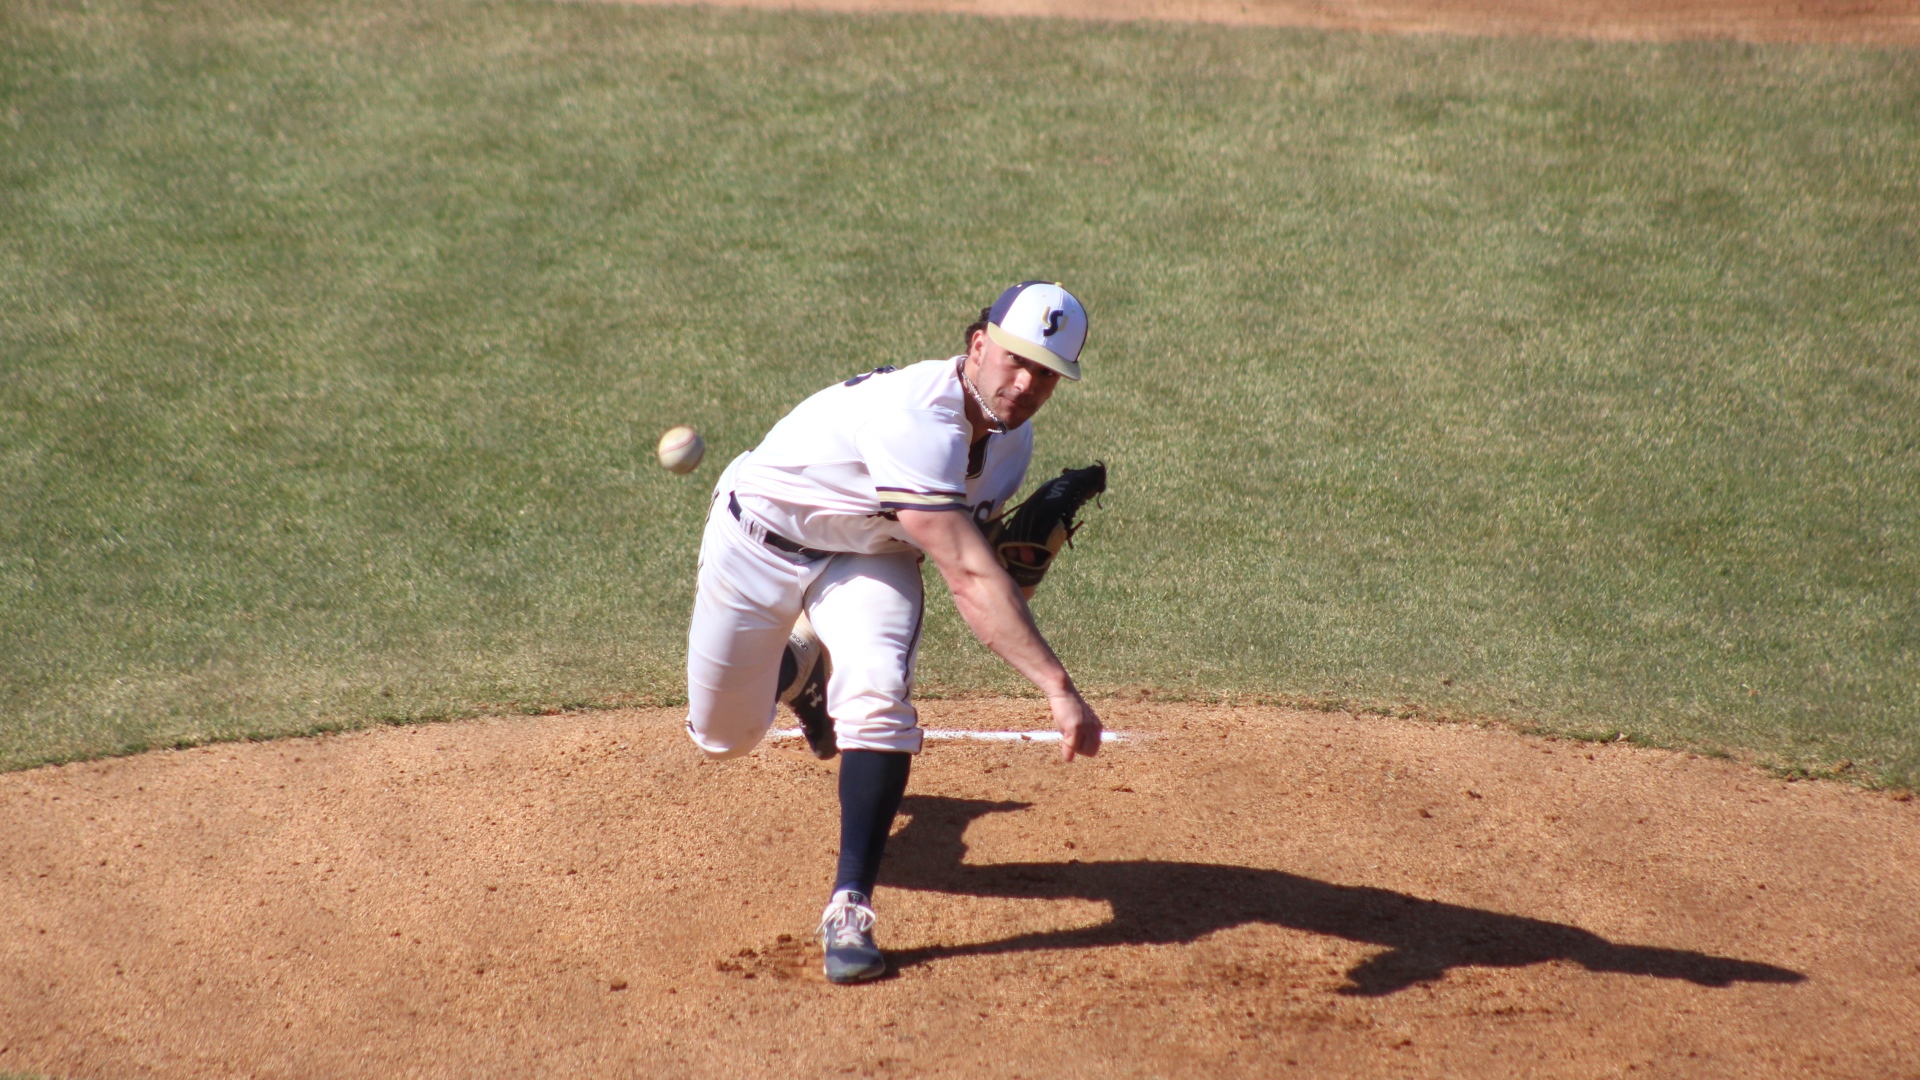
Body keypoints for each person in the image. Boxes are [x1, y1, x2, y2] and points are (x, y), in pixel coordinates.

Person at [683, 280, 1104, 984]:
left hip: (867, 559)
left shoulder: (1012, 442)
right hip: (759, 543)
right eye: (1015, 359)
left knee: (878, 692)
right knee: (724, 736)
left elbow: (973, 556)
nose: (1027, 383)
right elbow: (970, 579)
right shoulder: (918, 417)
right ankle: (800, 676)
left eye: (1047, 374)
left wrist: (1009, 556)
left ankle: (849, 908)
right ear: (978, 345)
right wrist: (1057, 687)